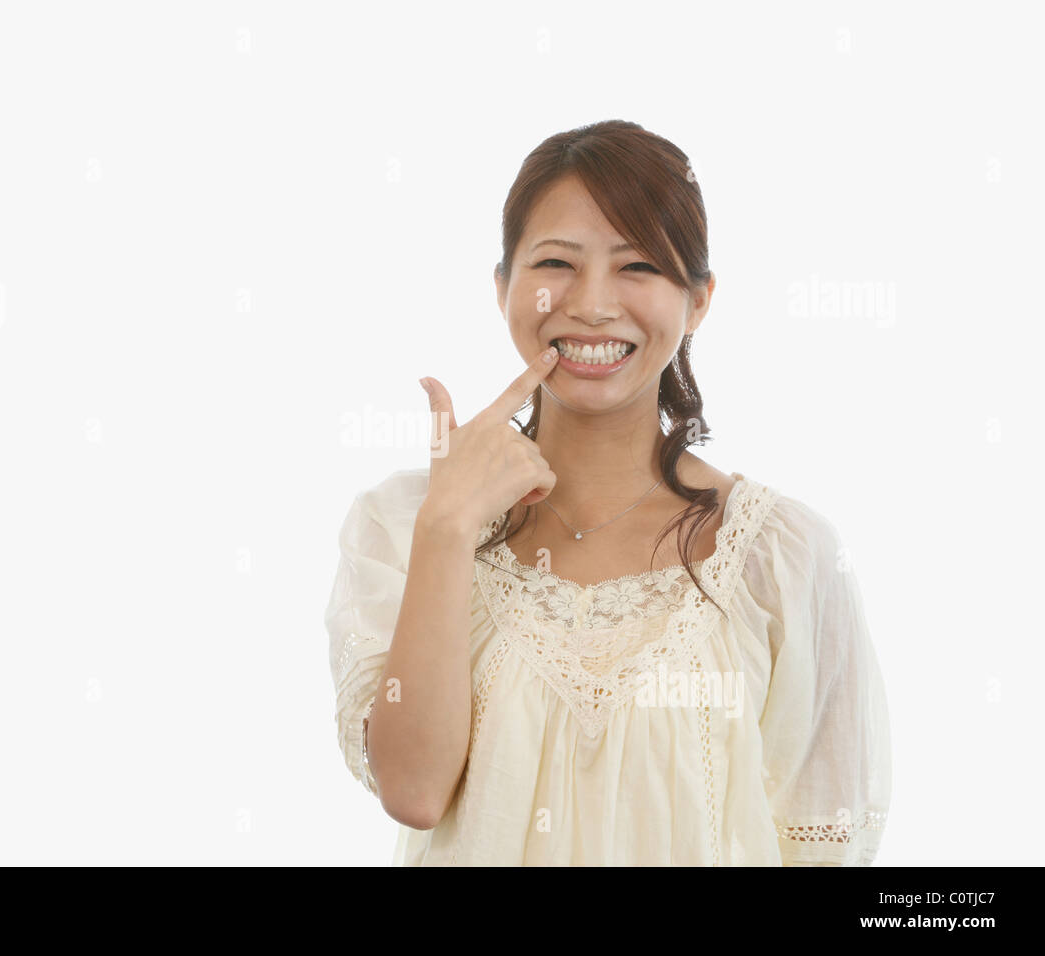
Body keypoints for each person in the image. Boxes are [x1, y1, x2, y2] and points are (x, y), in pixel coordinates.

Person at [324, 120, 891, 866]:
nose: (592, 305)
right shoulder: (402, 524)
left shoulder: (782, 554)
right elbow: (415, 791)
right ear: (503, 288)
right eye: (556, 261)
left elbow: (825, 840)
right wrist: (449, 526)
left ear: (699, 299)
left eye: (639, 267)